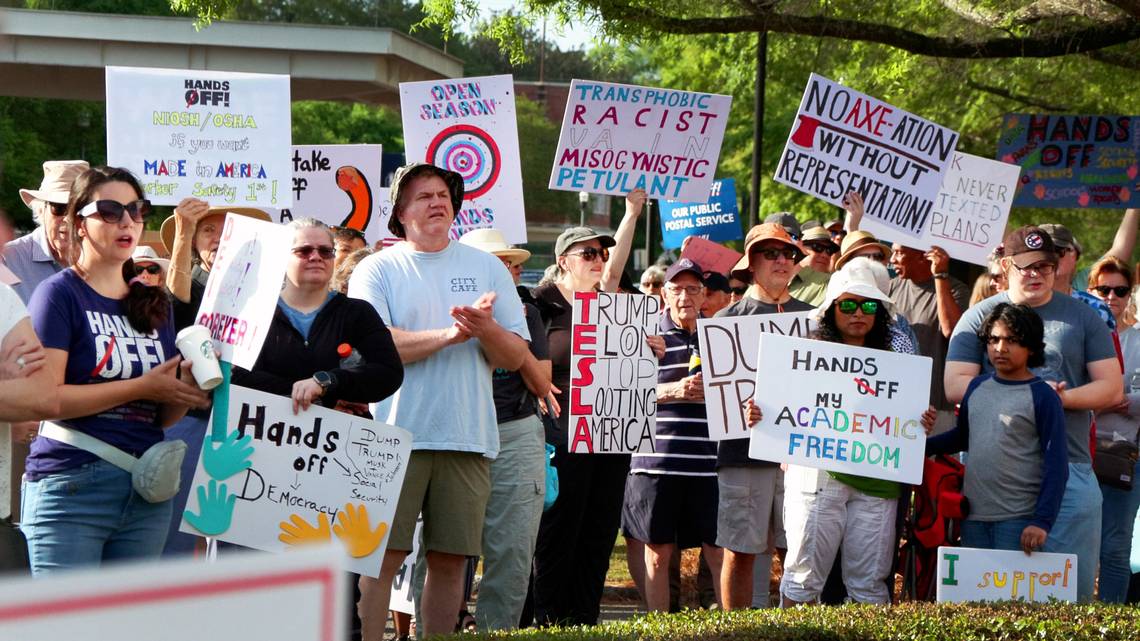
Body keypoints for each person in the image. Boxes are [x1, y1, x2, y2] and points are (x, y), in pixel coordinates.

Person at [347, 163, 529, 638]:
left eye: (443, 193)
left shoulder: (486, 266)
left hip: (468, 437)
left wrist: (485, 328)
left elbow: (515, 356)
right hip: (393, 438)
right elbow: (377, 346)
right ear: (401, 212)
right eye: (423, 195)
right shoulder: (377, 268)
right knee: (380, 556)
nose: (437, 201)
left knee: (451, 560)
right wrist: (452, 335)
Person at [22, 166, 209, 574]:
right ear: (78, 223)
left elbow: (159, 414)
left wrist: (182, 390)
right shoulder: (58, 294)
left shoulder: (152, 302)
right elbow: (46, 400)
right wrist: (142, 385)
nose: (126, 221)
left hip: (146, 492)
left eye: (136, 209)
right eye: (109, 211)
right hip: (72, 484)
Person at [945, 226, 1121, 602]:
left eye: (1045, 265)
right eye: (1026, 266)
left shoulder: (1085, 317)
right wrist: (1027, 396)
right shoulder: (979, 318)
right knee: (990, 599)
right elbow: (955, 384)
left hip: (1069, 465)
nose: (1037, 273)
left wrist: (1060, 399)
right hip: (995, 474)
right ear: (1007, 266)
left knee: (1066, 596)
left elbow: (1111, 388)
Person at [779, 261, 936, 605]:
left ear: (880, 312)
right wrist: (761, 414)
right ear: (831, 310)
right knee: (803, 581)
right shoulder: (806, 355)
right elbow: (781, 411)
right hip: (819, 478)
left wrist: (920, 421)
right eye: (847, 304)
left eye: (868, 305)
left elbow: (907, 419)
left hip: (878, 481)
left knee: (870, 589)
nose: (858, 313)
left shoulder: (899, 360)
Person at [531, 190, 649, 626]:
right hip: (558, 432)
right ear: (564, 259)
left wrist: (647, 348)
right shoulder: (541, 302)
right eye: (589, 253)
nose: (599, 259)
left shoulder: (615, 304)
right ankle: (546, 617)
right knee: (559, 528)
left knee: (599, 530)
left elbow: (616, 274)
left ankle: (584, 617)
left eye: (603, 253)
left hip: (611, 432)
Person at [158, 199, 273, 556]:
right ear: (192, 242)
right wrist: (182, 232)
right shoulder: (185, 284)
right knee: (175, 533)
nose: (219, 238)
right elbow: (172, 311)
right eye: (208, 229)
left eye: (229, 230)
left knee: (241, 542)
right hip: (189, 422)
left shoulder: (267, 294)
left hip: (247, 426)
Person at [457, 228, 553, 631]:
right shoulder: (445, 307)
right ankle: (439, 632)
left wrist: (502, 338)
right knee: (443, 550)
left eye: (512, 265)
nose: (510, 272)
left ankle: (497, 632)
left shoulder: (528, 314)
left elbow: (542, 383)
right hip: (457, 434)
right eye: (501, 264)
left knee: (512, 553)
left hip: (514, 431)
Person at [717, 223, 812, 610]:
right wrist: (736, 406)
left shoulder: (815, 320)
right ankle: (732, 633)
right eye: (771, 253)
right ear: (751, 262)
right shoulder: (726, 319)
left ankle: (794, 632)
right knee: (740, 550)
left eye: (788, 254)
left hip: (803, 457)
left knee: (800, 554)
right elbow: (715, 390)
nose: (781, 261)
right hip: (744, 452)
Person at [623, 258, 722, 612]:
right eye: (677, 289)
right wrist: (673, 390)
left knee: (717, 551)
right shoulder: (645, 334)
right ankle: (659, 629)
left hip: (708, 465)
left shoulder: (721, 338)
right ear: (664, 294)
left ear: (704, 294)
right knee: (657, 554)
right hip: (656, 462)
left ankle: (730, 631)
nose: (685, 297)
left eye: (692, 289)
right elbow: (624, 393)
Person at [927, 303, 1067, 554]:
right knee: (974, 593)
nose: (1000, 348)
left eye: (1011, 340)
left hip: (1019, 521)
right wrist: (917, 446)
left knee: (1010, 594)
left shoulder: (1043, 396)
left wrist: (1041, 521)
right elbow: (963, 437)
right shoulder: (975, 387)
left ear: (1031, 346)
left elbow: (1056, 464)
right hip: (972, 517)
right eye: (993, 339)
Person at [1086, 257, 1140, 602]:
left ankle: (1109, 625)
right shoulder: (1080, 333)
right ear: (1090, 289)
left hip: (1125, 456)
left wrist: (1109, 399)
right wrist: (1110, 398)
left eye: (1120, 289)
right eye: (1103, 288)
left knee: (1116, 550)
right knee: (1073, 544)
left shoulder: (1138, 339)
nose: (1111, 296)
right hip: (1077, 454)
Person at [888, 244, 969, 432]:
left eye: (899, 253)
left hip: (936, 407)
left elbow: (952, 331)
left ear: (923, 256)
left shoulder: (955, 289)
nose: (892, 260)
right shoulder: (890, 288)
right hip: (894, 402)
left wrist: (940, 276)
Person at [7, 160, 89, 304]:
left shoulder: (107, 262)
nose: (69, 219)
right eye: (59, 208)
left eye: (78, 210)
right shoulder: (7, 261)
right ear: (41, 210)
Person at [789, 225, 838, 306]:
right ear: (800, 248)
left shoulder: (834, 283)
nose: (825, 255)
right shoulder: (778, 278)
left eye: (830, 251)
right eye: (817, 247)